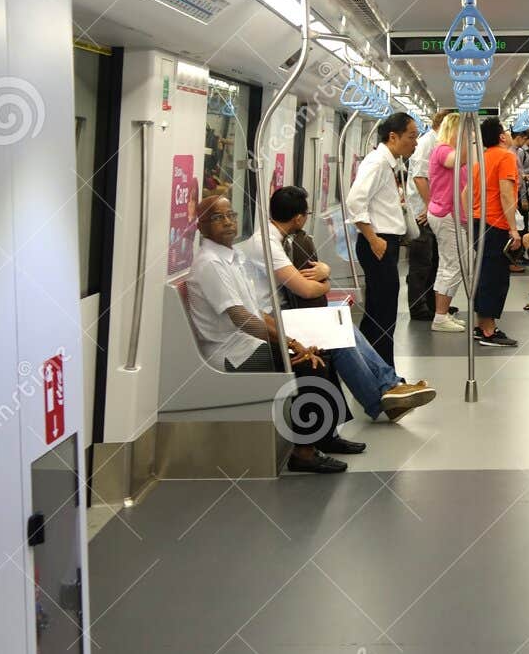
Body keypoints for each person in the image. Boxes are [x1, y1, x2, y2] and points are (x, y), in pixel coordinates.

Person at [243, 186, 438, 429]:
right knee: (336, 335)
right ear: (298, 218)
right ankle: (381, 398)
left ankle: (390, 387)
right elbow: (305, 289)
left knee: (341, 321)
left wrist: (323, 273)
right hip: (269, 320)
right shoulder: (267, 245)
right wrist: (325, 280)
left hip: (283, 312)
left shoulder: (276, 238)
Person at [185, 196, 344, 474]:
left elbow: (258, 312)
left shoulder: (232, 259)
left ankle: (325, 436)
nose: (228, 222)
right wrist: (291, 345)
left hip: (248, 345)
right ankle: (304, 452)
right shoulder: (211, 264)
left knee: (319, 350)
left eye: (230, 215)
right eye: (217, 217)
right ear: (201, 226)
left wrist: (295, 339)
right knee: (308, 364)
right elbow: (242, 319)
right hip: (232, 354)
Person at [345, 111, 418, 370]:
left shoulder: (390, 163)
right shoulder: (376, 162)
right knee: (382, 311)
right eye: (411, 137)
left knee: (380, 309)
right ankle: (382, 371)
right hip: (379, 242)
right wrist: (373, 238)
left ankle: (373, 367)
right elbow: (355, 201)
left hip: (385, 241)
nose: (415, 143)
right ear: (393, 136)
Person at [470, 117, 520, 348]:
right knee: (495, 278)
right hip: (495, 224)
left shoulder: (480, 160)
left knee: (483, 275)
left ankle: (482, 325)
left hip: (479, 222)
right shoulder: (506, 156)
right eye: (507, 131)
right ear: (501, 136)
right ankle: (489, 332)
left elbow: (465, 194)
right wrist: (513, 228)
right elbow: (506, 194)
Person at [424, 111, 468, 332]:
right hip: (445, 212)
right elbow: (457, 160)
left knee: (449, 265)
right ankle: (440, 317)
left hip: (450, 213)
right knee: (453, 266)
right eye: (464, 131)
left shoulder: (450, 150)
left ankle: (442, 314)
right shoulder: (443, 150)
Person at [406, 111, 449, 321]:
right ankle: (418, 307)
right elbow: (419, 177)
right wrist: (431, 205)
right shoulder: (426, 143)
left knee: (434, 260)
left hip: (431, 210)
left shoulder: (438, 143)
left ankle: (432, 303)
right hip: (421, 212)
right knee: (421, 262)